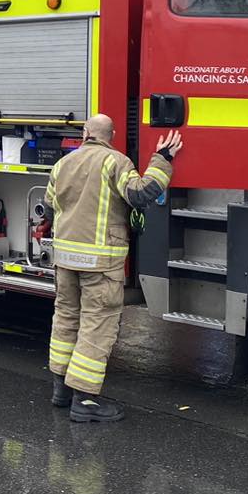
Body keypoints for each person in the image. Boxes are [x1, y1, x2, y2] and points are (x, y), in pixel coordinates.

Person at [44, 115, 182, 423]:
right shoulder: (116, 162)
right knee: (97, 324)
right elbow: (140, 194)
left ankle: (61, 391)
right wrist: (162, 159)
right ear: (114, 134)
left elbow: (50, 203)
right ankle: (85, 401)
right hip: (100, 262)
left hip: (65, 259)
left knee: (65, 318)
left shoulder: (62, 164)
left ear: (85, 133)